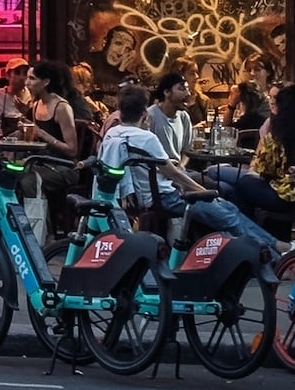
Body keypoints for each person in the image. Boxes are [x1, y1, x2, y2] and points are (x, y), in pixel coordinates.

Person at [100, 85, 282, 261]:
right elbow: (174, 173)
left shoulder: (113, 134)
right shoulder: (146, 138)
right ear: (144, 113)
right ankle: (273, 253)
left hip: (150, 193)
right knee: (227, 214)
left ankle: (271, 247)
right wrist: (199, 190)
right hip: (164, 197)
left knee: (227, 208)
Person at [213, 83, 295, 217]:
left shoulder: (277, 137)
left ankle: (251, 231)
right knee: (236, 187)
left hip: (288, 199)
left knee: (243, 184)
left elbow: (263, 170)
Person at [19, 61, 82, 205]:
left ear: (46, 82)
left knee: (27, 179)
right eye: (27, 78)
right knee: (8, 172)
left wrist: (42, 134)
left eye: (32, 78)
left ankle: (37, 224)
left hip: (62, 166)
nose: (27, 83)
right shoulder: (36, 105)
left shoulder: (61, 107)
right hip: (40, 162)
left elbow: (72, 150)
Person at [148, 73, 195, 163]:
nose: (188, 93)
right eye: (182, 89)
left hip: (179, 170)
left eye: (187, 89)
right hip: (159, 171)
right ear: (167, 92)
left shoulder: (184, 117)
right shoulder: (150, 116)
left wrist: (181, 166)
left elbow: (186, 151)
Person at [0, 58, 31, 140]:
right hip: (1, 144)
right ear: (7, 75)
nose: (22, 77)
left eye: (25, 73)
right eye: (17, 72)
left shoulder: (33, 97)